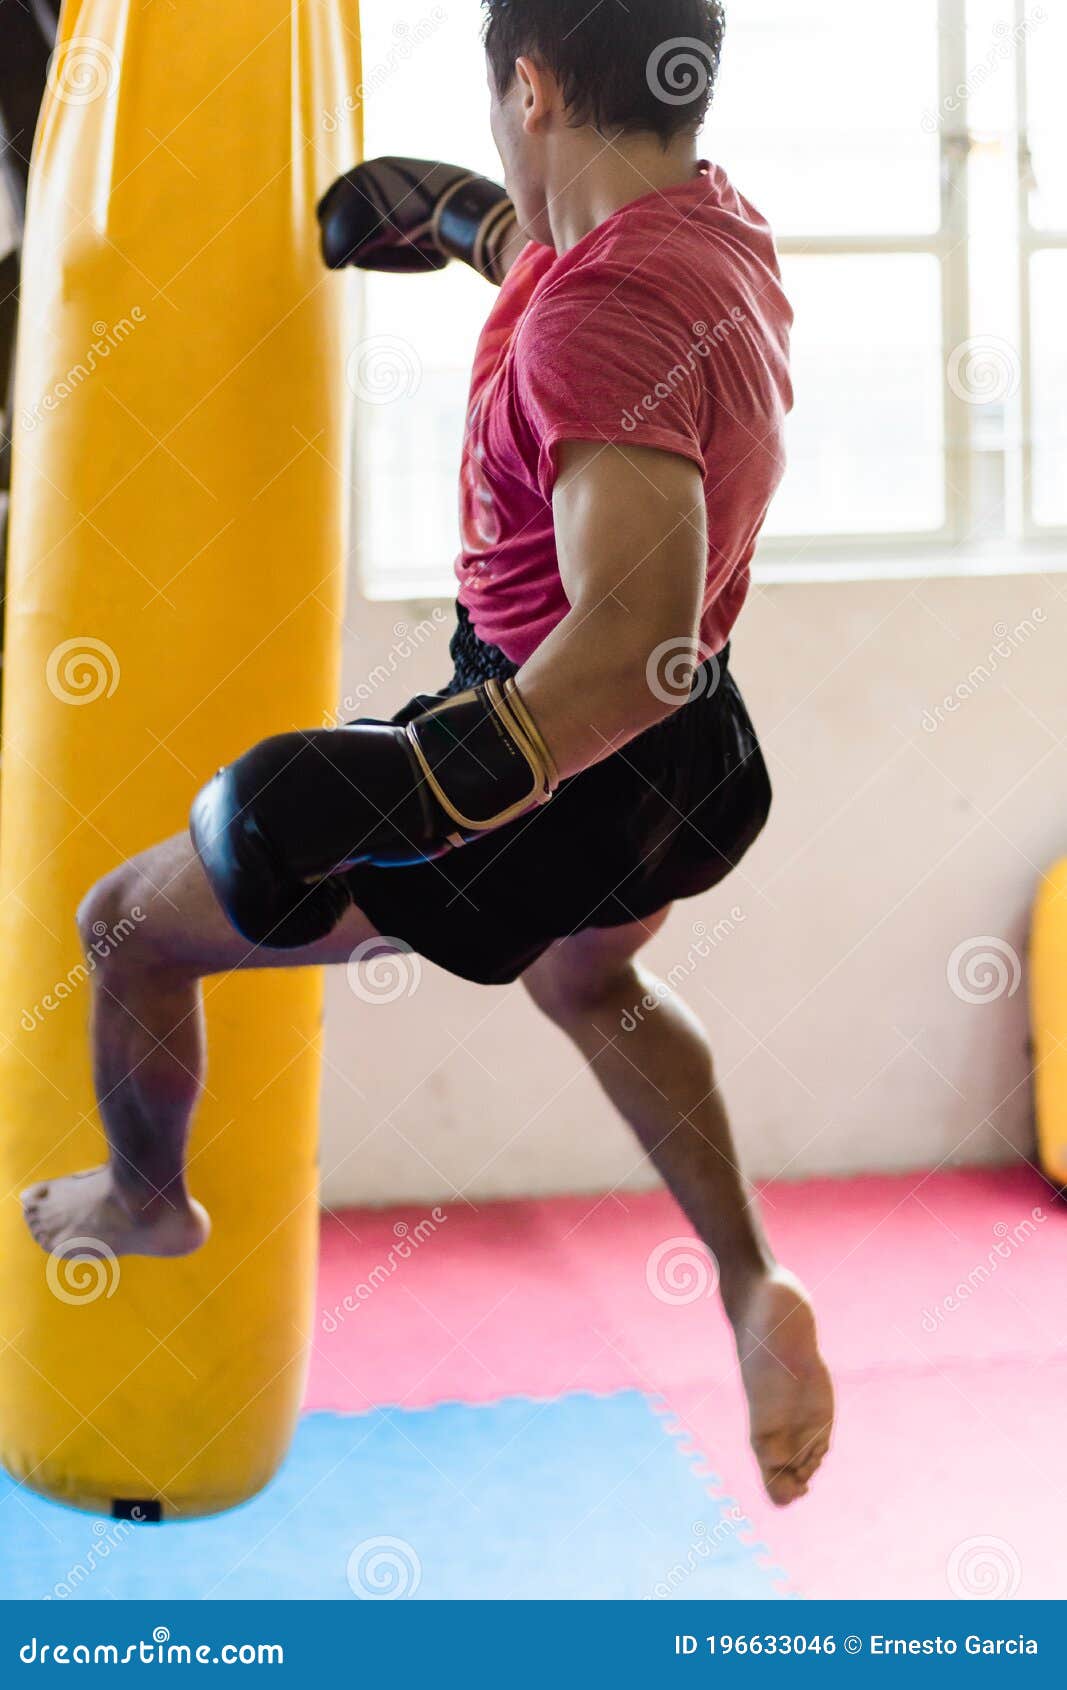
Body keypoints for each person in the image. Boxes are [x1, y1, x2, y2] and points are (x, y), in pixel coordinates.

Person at [23, 0, 834, 1507]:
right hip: (696, 766)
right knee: (594, 982)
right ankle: (749, 1280)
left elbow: (631, 636)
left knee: (126, 927)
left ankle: (148, 1201)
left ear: (528, 83)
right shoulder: (715, 234)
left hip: (556, 766)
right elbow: (587, 288)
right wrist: (467, 222)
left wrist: (415, 782)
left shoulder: (604, 320)